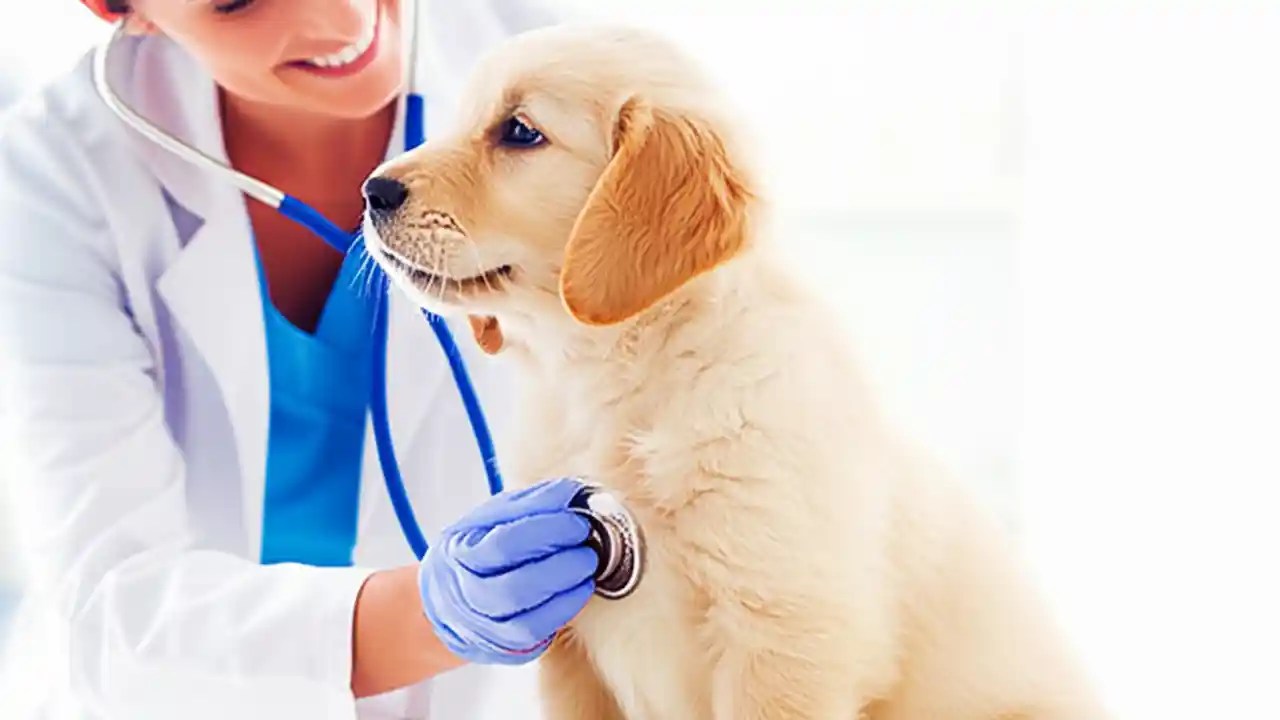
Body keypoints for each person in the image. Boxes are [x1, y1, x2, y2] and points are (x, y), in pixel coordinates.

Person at [0, 1, 601, 718]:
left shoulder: (548, 64)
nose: (342, 20)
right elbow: (113, 616)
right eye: (239, 1)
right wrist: (439, 613)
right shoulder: (53, 184)